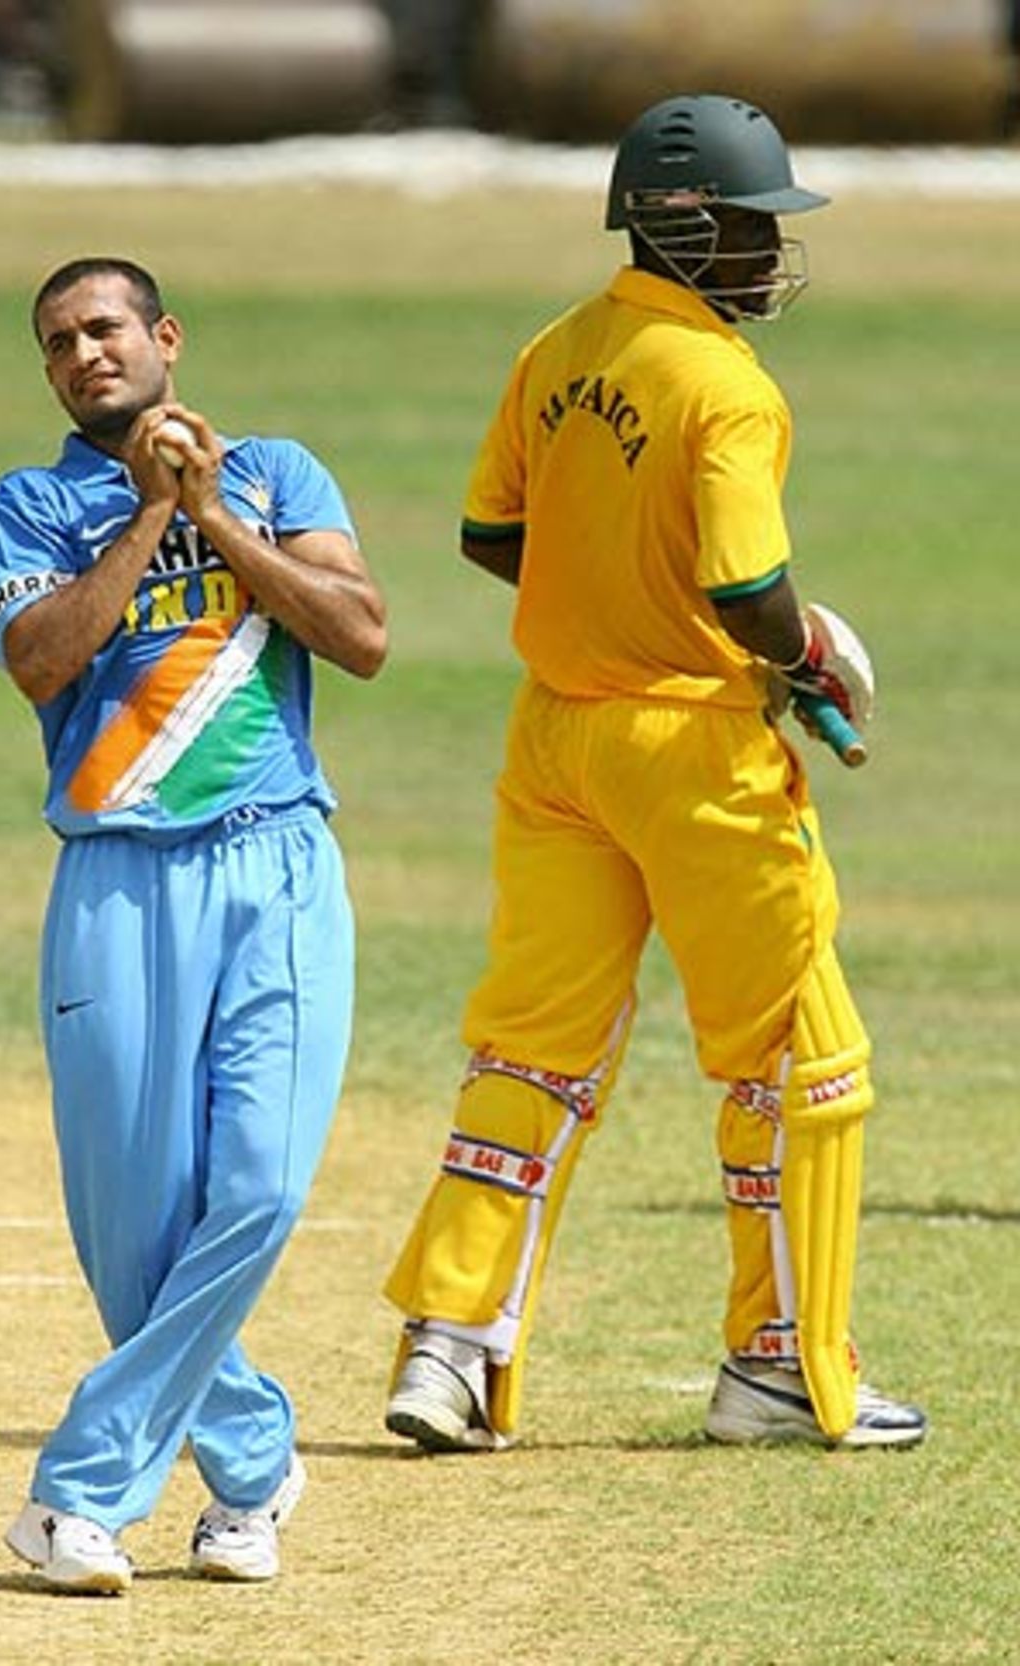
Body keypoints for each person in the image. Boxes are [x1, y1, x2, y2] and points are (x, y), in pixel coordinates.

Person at [382, 93, 927, 1455]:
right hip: (693, 754)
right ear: (683, 227)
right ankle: (783, 1365)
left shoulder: (558, 348)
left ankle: (450, 1347)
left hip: (556, 739)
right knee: (799, 1055)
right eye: (752, 226)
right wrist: (804, 655)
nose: (772, 252)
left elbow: (494, 535)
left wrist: (627, 598)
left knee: (533, 1048)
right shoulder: (727, 387)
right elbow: (748, 586)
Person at [0, 257, 387, 1592]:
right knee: (135, 1226)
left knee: (260, 1187)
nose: (82, 354)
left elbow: (361, 634)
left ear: (164, 337)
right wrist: (151, 516)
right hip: (116, 875)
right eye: (56, 343)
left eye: (102, 328)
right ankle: (252, 1467)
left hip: (278, 861)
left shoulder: (275, 473)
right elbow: (40, 658)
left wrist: (214, 513)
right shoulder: (31, 505)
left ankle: (78, 1494)